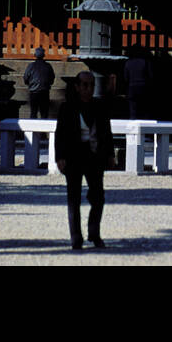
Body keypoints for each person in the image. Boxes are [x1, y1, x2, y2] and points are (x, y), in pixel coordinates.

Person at [55, 70, 116, 249]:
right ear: (77, 87)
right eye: (85, 85)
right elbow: (60, 135)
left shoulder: (100, 107)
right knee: (73, 198)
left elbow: (107, 132)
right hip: (73, 157)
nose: (88, 89)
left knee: (98, 197)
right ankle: (76, 237)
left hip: (94, 157)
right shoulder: (67, 108)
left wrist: (110, 154)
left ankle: (94, 232)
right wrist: (60, 157)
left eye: (91, 85)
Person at [23, 46, 55, 119]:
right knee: (44, 113)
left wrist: (29, 84)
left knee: (33, 112)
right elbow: (52, 78)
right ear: (44, 55)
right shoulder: (48, 66)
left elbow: (26, 77)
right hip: (45, 91)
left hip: (34, 91)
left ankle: (32, 128)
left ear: (35, 55)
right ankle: (43, 129)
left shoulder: (31, 66)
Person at [123, 47, 154, 119]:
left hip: (132, 88)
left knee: (133, 111)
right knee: (145, 110)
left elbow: (126, 78)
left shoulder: (128, 63)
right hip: (144, 88)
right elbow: (151, 76)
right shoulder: (146, 62)